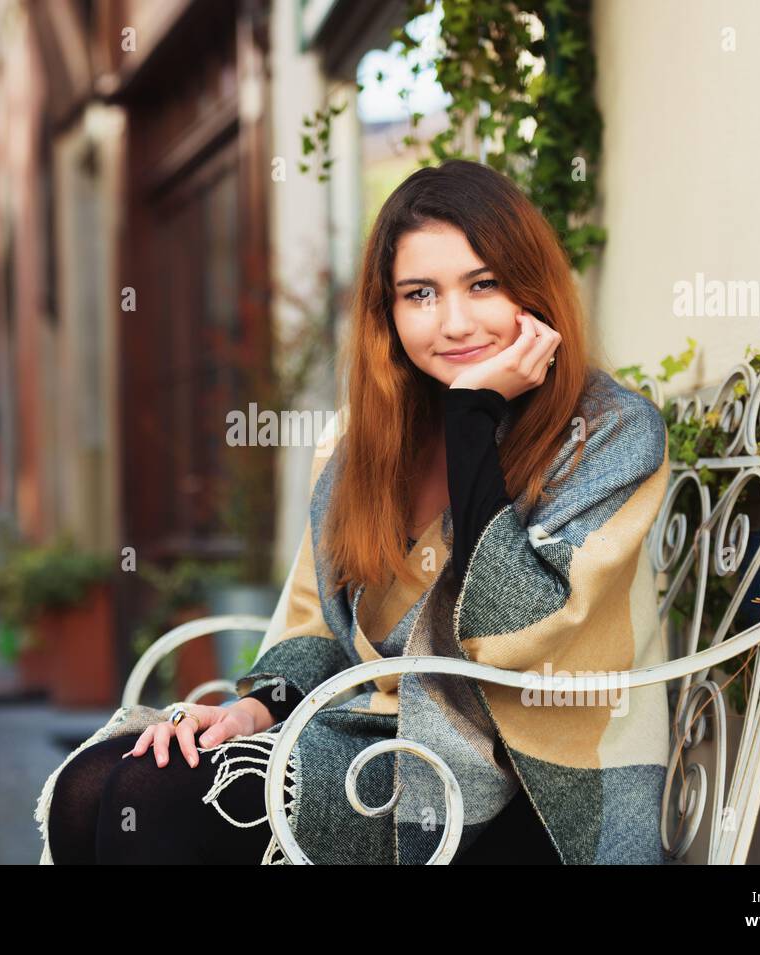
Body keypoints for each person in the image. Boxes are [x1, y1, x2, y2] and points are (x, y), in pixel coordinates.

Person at [36, 158, 672, 865]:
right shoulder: (361, 444)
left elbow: (515, 634)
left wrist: (472, 420)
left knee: (149, 803)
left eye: (484, 284)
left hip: (533, 780)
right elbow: (315, 618)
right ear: (388, 312)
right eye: (420, 293)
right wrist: (259, 707)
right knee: (93, 786)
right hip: (383, 741)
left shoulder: (612, 433)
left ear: (535, 289)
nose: (455, 322)